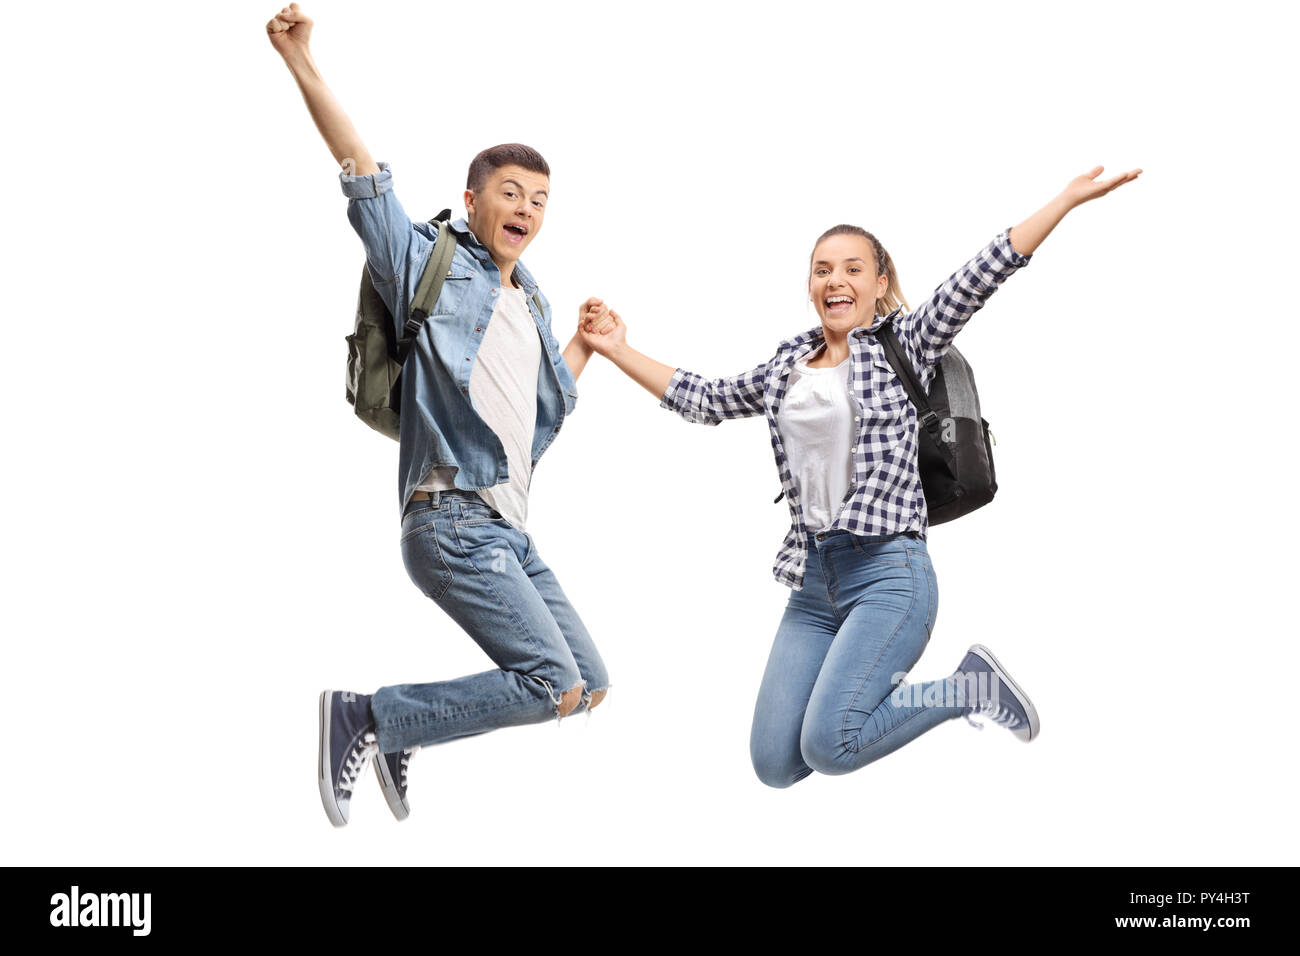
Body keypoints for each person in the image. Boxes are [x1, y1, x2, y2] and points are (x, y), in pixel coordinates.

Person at [577, 165, 1141, 787]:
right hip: (815, 581)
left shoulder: (907, 341)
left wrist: (1063, 202)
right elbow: (705, 398)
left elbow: (984, 272)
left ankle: (967, 687)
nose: (836, 280)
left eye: (852, 268)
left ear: (879, 283)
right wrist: (614, 347)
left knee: (831, 745)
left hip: (888, 573)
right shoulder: (788, 363)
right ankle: (939, 691)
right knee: (775, 764)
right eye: (822, 269)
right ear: (810, 287)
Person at [267, 3, 615, 825]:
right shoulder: (425, 260)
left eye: (539, 199)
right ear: (473, 198)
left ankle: (396, 733)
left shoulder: (530, 300)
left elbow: (539, 424)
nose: (526, 208)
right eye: (510, 192)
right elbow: (359, 169)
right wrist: (301, 59)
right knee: (549, 683)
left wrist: (586, 348)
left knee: (587, 685)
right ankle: (368, 717)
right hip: (449, 519)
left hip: (509, 530)